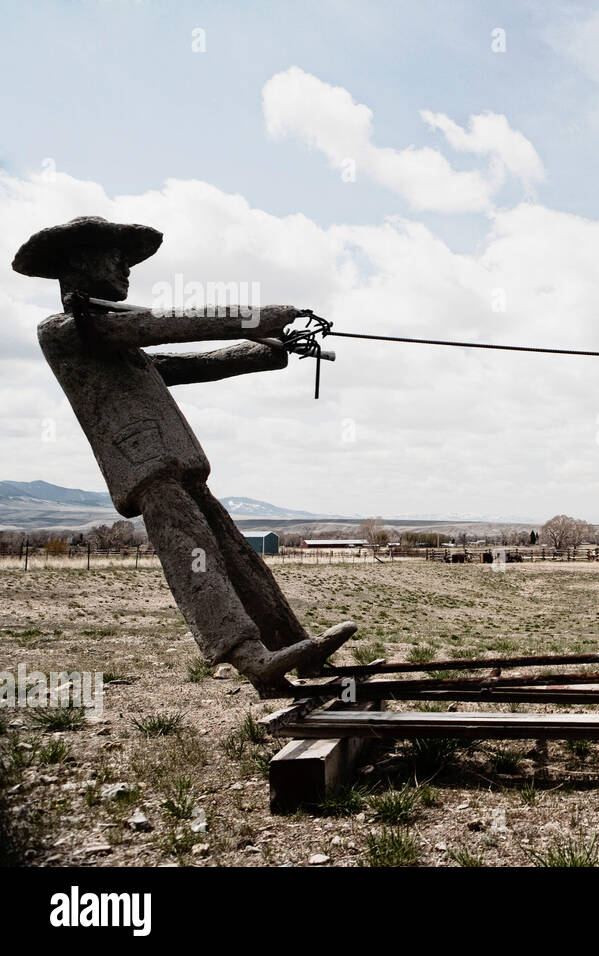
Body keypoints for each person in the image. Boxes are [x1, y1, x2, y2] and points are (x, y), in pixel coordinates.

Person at [12, 216, 354, 695]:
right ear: (77, 264)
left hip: (185, 469)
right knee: (195, 558)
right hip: (146, 472)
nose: (124, 270)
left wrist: (267, 352)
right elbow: (164, 326)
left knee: (237, 555)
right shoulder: (66, 330)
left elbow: (186, 365)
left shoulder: (117, 343)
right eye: (112, 258)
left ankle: (296, 647)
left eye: (125, 260)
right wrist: (263, 316)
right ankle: (253, 659)